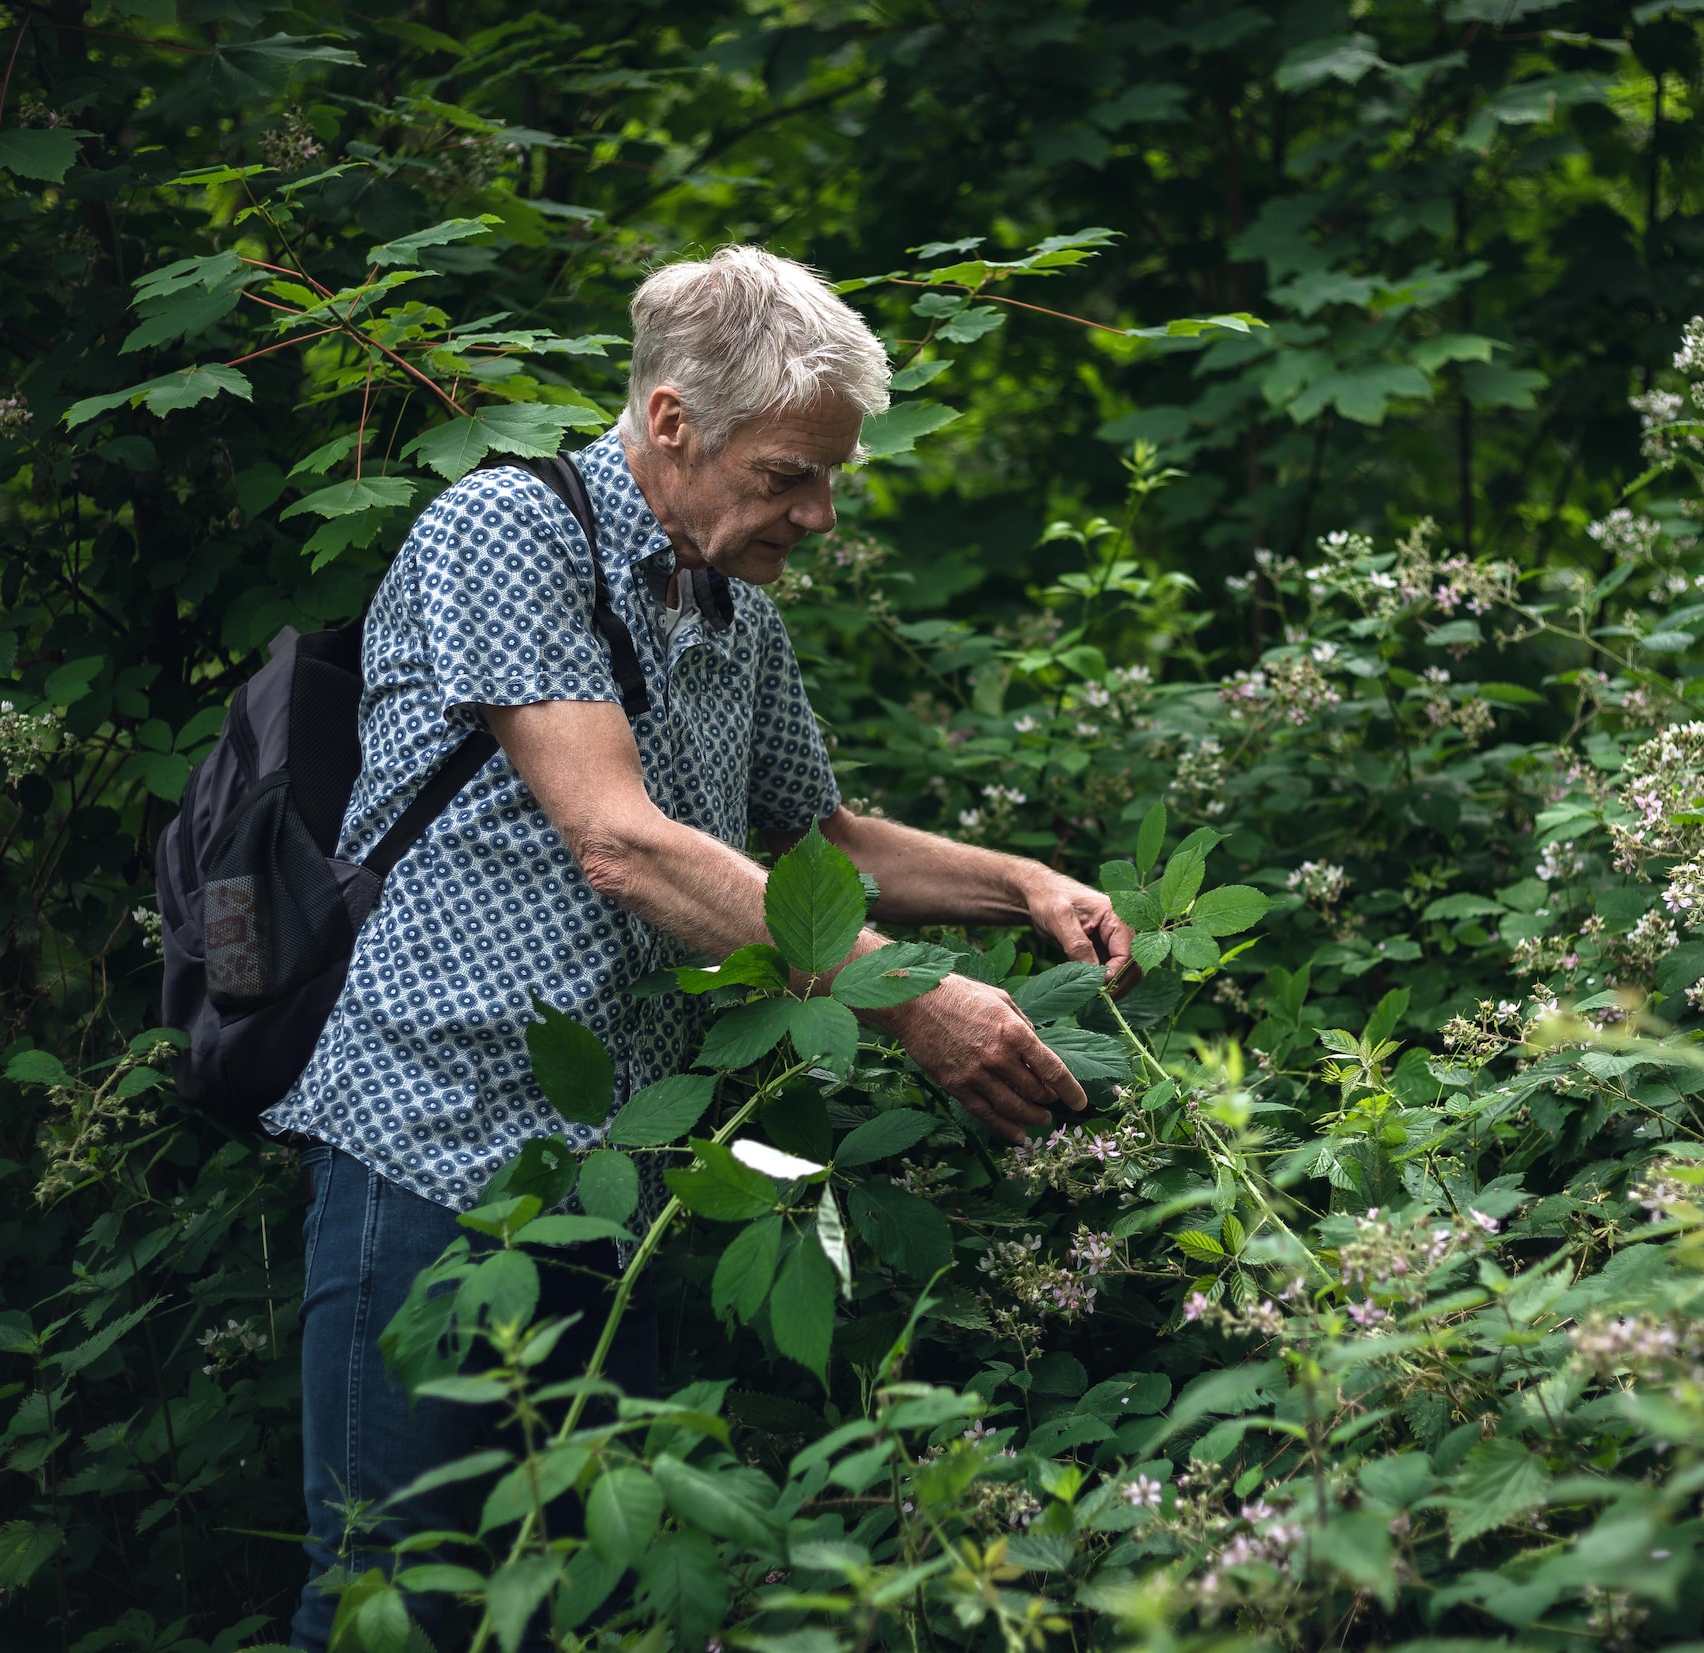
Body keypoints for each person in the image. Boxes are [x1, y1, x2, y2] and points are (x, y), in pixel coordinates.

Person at [263, 244, 1136, 1648]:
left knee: (584, 1605)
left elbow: (827, 848)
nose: (823, 511)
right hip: (435, 1155)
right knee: (399, 1599)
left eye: (832, 474)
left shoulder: (735, 605)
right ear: (673, 422)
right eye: (792, 473)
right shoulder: (511, 529)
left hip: (619, 1176)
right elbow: (617, 837)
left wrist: (1021, 883)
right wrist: (909, 1005)